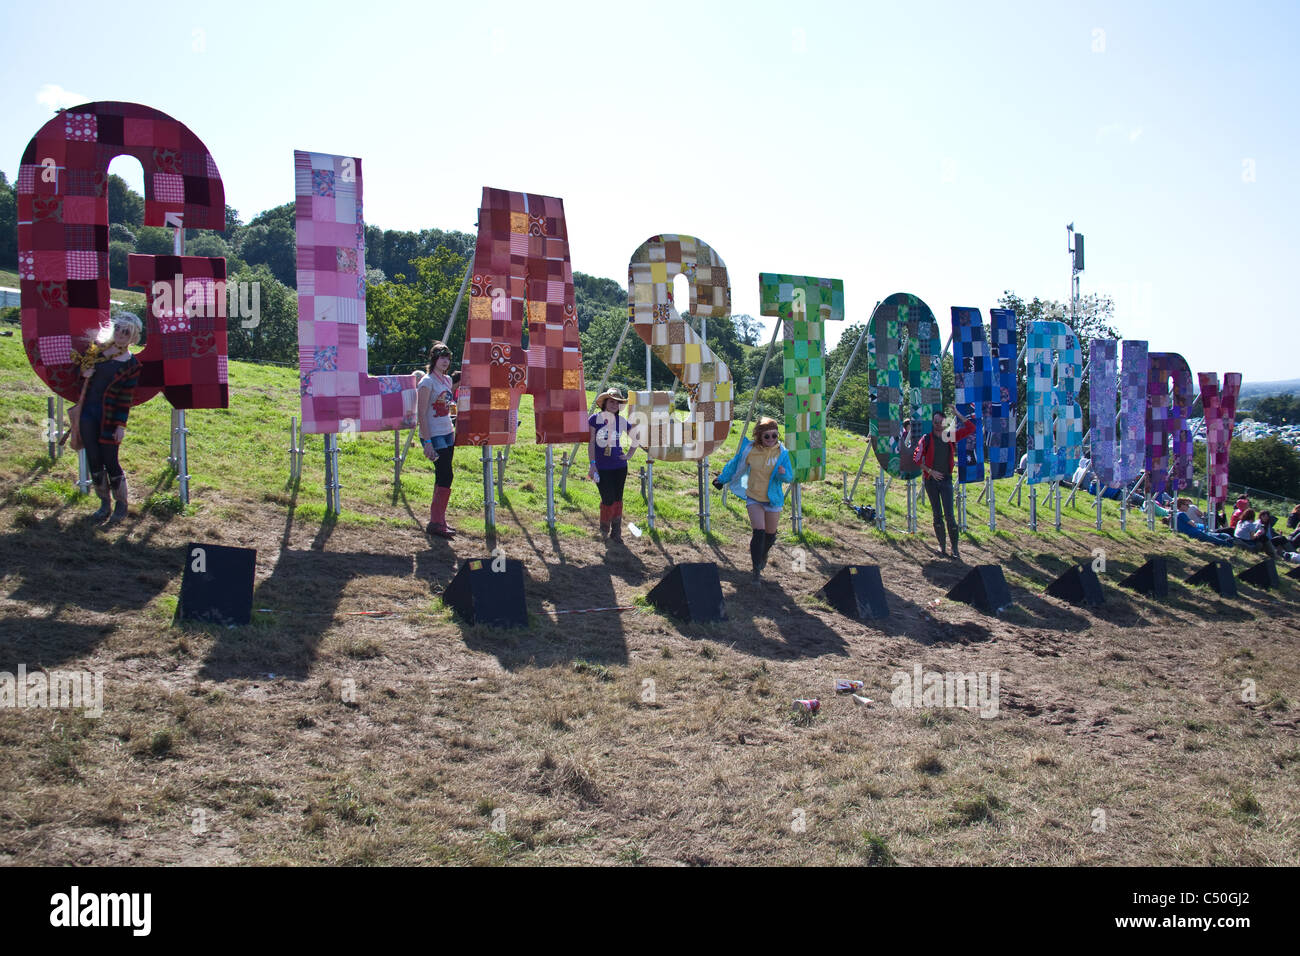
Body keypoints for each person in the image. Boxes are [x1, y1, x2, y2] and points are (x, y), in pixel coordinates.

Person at [72, 313, 142, 524]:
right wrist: (83, 372)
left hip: (110, 417)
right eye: (119, 329)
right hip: (88, 414)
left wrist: (121, 425)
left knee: (110, 459)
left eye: (126, 332)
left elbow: (125, 398)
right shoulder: (98, 350)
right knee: (93, 458)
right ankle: (104, 503)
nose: (120, 334)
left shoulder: (131, 364)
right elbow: (79, 373)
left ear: (133, 336)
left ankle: (121, 503)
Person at [714, 418, 794, 581]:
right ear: (759, 437)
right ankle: (756, 569)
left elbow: (789, 477)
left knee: (770, 536)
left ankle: (763, 555)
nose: (771, 439)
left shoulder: (783, 453)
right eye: (767, 436)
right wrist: (721, 479)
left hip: (773, 500)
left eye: (774, 435)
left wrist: (783, 473)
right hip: (754, 498)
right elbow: (735, 465)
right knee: (759, 532)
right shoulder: (749, 450)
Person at [914, 407, 975, 560]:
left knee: (950, 515)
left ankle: (954, 548)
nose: (938, 425)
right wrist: (930, 471)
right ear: (932, 423)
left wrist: (958, 414)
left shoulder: (949, 437)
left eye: (941, 422)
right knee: (937, 514)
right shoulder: (926, 438)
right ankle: (942, 546)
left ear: (944, 423)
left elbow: (971, 428)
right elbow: (916, 458)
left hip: (946, 480)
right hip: (930, 481)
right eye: (935, 422)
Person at [587, 388, 639, 543]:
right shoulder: (594, 419)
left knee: (618, 498)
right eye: (611, 401)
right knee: (607, 498)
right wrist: (592, 464)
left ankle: (616, 531)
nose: (614, 405)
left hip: (619, 467)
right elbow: (590, 444)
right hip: (602, 467)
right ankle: (604, 527)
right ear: (604, 403)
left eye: (617, 402)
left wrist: (629, 455)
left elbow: (636, 438)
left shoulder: (622, 421)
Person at [418, 341, 458, 538]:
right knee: (446, 474)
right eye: (442, 358)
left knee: (442, 476)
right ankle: (435, 521)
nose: (445, 361)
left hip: (448, 431)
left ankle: (439, 520)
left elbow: (448, 406)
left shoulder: (447, 381)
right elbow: (421, 414)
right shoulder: (427, 382)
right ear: (434, 360)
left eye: (447, 358)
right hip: (434, 434)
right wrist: (427, 442)